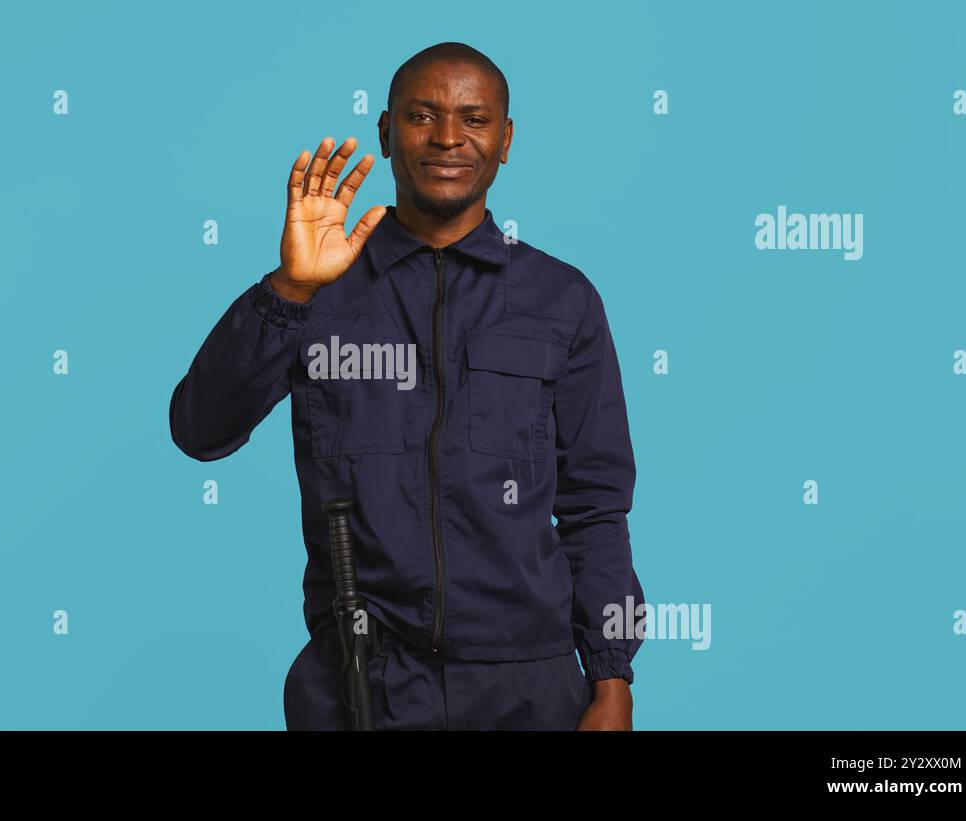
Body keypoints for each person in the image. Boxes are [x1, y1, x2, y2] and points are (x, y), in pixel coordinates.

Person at [169, 42, 645, 730]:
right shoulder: (319, 289)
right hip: (361, 685)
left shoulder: (562, 299)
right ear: (387, 133)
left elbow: (597, 506)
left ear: (506, 140)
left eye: (474, 119)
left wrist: (611, 677)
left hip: (530, 689)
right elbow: (199, 430)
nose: (448, 137)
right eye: (422, 116)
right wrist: (290, 289)